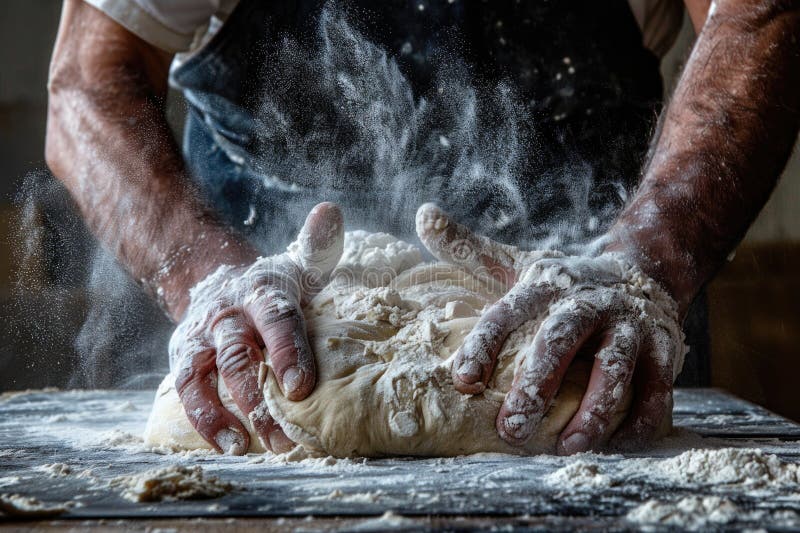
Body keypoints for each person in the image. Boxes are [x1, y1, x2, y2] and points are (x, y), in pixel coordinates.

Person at [45, 0, 799, 455]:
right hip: (265, 303)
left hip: (595, 325)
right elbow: (88, 79)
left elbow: (763, 15)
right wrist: (203, 272)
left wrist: (646, 262)